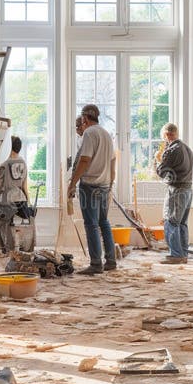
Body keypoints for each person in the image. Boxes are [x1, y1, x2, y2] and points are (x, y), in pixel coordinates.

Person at [67, 104, 116, 275]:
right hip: (104, 185)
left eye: (81, 120)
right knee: (104, 222)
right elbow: (112, 162)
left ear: (85, 119)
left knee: (91, 224)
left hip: (90, 185)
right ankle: (111, 260)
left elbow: (85, 160)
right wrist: (111, 183)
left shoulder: (89, 133)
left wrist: (73, 183)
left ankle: (96, 263)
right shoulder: (106, 134)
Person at [155, 123, 193, 264]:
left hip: (177, 190)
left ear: (167, 134)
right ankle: (183, 254)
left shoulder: (172, 150)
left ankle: (176, 255)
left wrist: (158, 159)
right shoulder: (187, 149)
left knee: (171, 222)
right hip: (188, 189)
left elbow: (161, 172)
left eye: (164, 136)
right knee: (182, 223)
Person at [0, 135, 29, 253]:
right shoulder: (23, 162)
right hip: (21, 199)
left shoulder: (5, 164)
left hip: (7, 200)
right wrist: (27, 202)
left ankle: (6, 248)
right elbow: (24, 186)